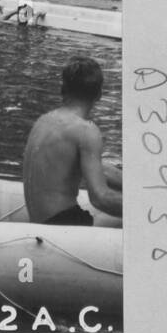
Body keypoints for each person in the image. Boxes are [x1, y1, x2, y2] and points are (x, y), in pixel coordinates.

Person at [22, 57, 122, 226]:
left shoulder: (44, 120)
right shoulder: (86, 130)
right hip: (63, 224)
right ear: (98, 94)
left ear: (64, 89)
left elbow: (95, 167)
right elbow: (99, 198)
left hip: (43, 220)